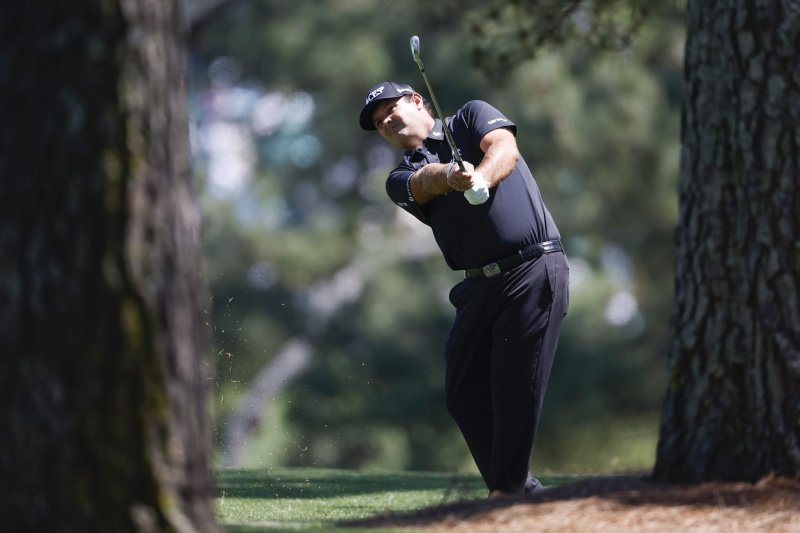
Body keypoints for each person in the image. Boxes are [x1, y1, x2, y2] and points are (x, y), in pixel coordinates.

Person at [359, 80, 569, 498]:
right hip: (477, 287)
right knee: (463, 393)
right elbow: (423, 183)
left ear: (416, 101)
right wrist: (453, 176)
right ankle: (520, 493)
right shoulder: (398, 177)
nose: (386, 123)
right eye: (380, 123)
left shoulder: (471, 116)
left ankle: (508, 494)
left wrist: (483, 178)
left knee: (515, 389)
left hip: (532, 269)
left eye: (390, 111)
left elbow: (504, 148)